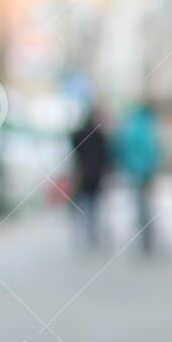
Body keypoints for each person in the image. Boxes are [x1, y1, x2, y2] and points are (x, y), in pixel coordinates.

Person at [114, 102, 162, 255]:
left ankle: (143, 235)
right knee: (146, 205)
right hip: (146, 172)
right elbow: (154, 150)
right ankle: (147, 236)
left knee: (139, 204)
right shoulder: (147, 128)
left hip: (134, 172)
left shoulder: (130, 128)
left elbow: (122, 150)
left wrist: (128, 167)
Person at [68, 106, 109, 250]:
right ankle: (91, 233)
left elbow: (73, 149)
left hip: (82, 175)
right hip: (95, 176)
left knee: (83, 204)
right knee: (93, 206)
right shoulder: (99, 135)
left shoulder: (79, 134)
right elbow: (105, 157)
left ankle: (84, 233)